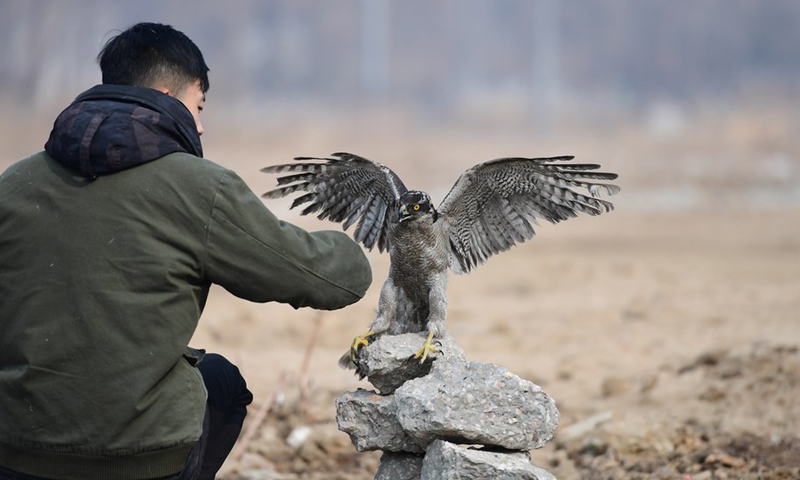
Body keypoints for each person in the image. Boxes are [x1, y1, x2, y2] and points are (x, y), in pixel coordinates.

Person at [0, 22, 372, 480]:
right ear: (165, 94)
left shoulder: (13, 185)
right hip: (141, 458)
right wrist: (357, 244)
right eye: (198, 105)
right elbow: (329, 278)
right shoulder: (198, 187)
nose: (200, 124)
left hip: (16, 452)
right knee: (223, 381)